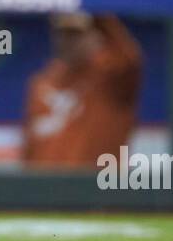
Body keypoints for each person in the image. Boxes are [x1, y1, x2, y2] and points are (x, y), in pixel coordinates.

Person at [21, 13, 142, 169]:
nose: (68, 41)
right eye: (62, 33)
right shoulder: (41, 82)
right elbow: (31, 147)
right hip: (44, 188)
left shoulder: (110, 79)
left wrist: (95, 5)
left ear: (98, 37)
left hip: (94, 188)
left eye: (76, 34)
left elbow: (129, 58)